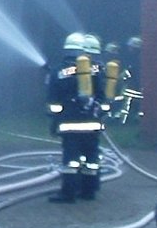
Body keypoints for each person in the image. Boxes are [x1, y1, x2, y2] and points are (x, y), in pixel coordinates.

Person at [46, 32, 109, 202]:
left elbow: (53, 101)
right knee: (91, 159)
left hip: (70, 124)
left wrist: (54, 119)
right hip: (92, 124)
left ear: (66, 50)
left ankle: (68, 194)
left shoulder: (58, 71)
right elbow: (102, 96)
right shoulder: (95, 69)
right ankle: (89, 191)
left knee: (71, 161)